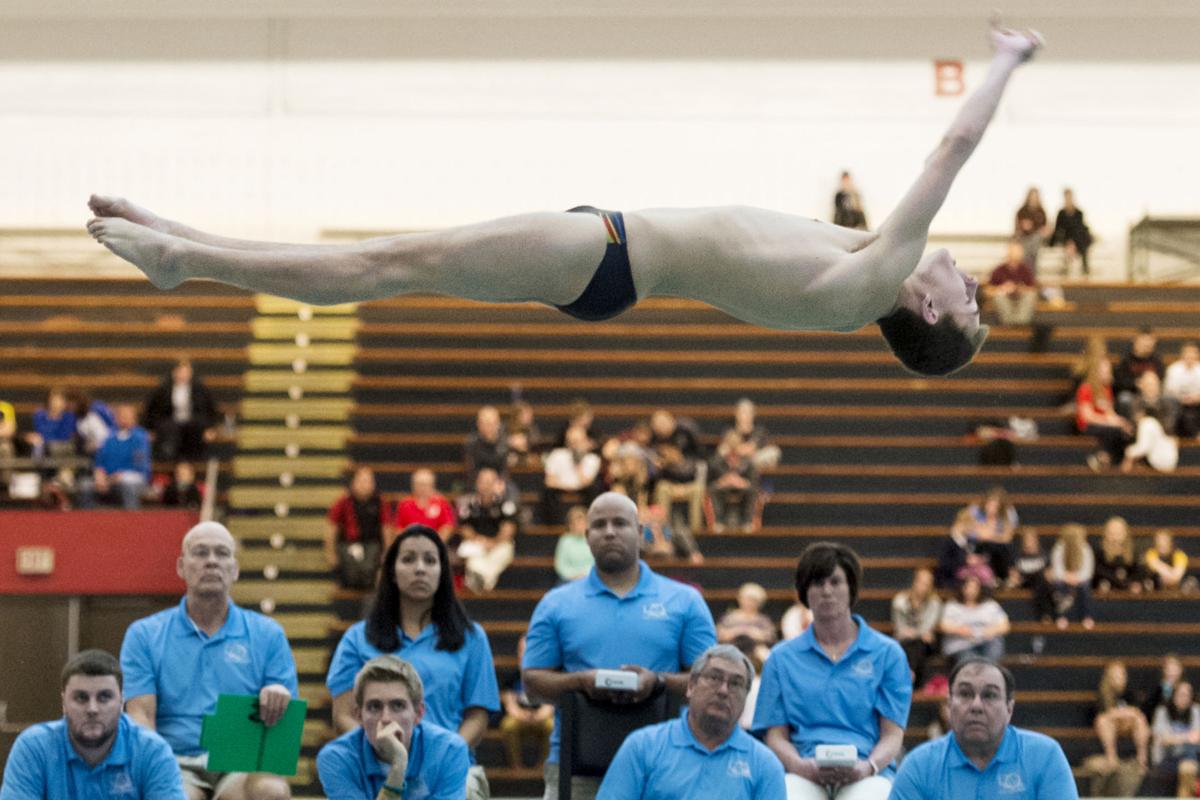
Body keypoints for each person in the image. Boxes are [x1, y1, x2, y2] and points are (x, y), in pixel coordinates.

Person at [85, 24, 1046, 378]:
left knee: (390, 265)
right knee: (395, 260)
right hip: (610, 253)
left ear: (924, 309)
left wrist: (1007, 60)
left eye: (962, 293)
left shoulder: (875, 276)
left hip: (610, 256)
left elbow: (953, 146)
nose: (963, 270)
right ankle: (184, 241)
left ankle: (188, 262)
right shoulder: (864, 267)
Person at [521, 491, 718, 800]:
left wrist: (658, 682)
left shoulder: (684, 601)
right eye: (599, 525)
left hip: (668, 769)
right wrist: (581, 682)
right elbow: (532, 682)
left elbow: (711, 681)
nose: (610, 532)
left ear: (640, 533)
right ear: (587, 537)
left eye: (620, 523)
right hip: (576, 770)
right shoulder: (556, 604)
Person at [120, 521, 298, 800]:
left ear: (235, 570)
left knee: (271, 791)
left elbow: (284, 730)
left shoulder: (268, 634)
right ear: (181, 566)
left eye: (222, 553)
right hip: (176, 762)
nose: (212, 561)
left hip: (241, 762)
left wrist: (279, 695)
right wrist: (157, 773)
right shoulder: (144, 634)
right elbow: (141, 716)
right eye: (201, 552)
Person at [325, 525, 500, 799]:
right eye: (408, 559)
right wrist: (386, 754)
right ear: (392, 571)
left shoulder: (472, 637)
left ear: (443, 572)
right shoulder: (357, 638)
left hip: (450, 771)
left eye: (430, 560)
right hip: (375, 770)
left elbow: (477, 718)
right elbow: (343, 715)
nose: (420, 568)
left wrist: (442, 757)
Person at [753, 541, 910, 800]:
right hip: (802, 769)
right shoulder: (781, 658)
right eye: (817, 583)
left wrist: (868, 767)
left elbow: (893, 734)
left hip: (867, 770)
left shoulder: (887, 654)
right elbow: (776, 735)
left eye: (835, 582)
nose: (826, 591)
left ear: (851, 589)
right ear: (804, 592)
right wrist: (798, 765)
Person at [596, 644, 786, 800]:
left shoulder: (764, 764)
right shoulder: (643, 746)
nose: (723, 690)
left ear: (746, 697)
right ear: (691, 686)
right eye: (714, 677)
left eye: (736, 684)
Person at [0, 649, 186, 800]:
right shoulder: (34, 748)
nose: (92, 709)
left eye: (104, 697)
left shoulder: (152, 751)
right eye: (81, 698)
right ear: (64, 703)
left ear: (122, 702)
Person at [889, 657, 1078, 799]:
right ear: (948, 706)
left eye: (990, 695)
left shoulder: (1044, 756)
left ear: (1009, 708)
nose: (976, 706)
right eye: (965, 693)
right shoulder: (919, 765)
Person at [316, 655, 469, 800]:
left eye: (398, 706)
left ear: (419, 713)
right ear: (359, 715)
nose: (386, 718)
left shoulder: (449, 751)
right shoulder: (336, 758)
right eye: (374, 707)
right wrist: (398, 765)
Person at [456, 466, 520, 593]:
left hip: (499, 544)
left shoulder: (506, 503)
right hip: (477, 543)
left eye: (489, 482)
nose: (485, 485)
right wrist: (478, 540)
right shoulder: (469, 503)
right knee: (468, 552)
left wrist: (494, 543)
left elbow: (508, 528)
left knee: (502, 553)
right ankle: (486, 581)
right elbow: (464, 527)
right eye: (482, 481)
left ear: (497, 484)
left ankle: (480, 581)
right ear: (477, 483)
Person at [325, 466, 391, 590]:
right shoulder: (343, 502)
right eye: (361, 481)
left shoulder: (380, 502)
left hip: (372, 544)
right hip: (348, 544)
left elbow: (386, 528)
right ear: (353, 483)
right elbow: (331, 527)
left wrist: (387, 552)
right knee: (352, 574)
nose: (365, 485)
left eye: (368, 481)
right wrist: (330, 552)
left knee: (368, 571)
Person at [143, 358, 221, 462]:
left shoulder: (200, 390)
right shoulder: (163, 389)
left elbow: (211, 410)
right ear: (174, 372)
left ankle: (194, 458)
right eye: (180, 372)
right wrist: (149, 429)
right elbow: (152, 410)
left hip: (193, 426)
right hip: (170, 425)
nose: (183, 375)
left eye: (186, 372)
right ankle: (168, 455)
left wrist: (212, 428)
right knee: (169, 430)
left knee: (195, 428)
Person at [77, 402, 152, 510]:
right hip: (108, 479)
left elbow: (139, 465)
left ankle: (132, 519)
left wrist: (115, 478)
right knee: (85, 486)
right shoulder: (108, 437)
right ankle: (88, 521)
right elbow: (99, 461)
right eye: (120, 416)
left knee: (127, 486)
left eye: (126, 416)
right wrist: (99, 475)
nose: (123, 419)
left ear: (134, 418)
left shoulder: (140, 437)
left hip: (133, 477)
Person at [499, 634, 554, 769]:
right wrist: (520, 714)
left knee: (551, 727)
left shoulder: (545, 675)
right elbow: (509, 702)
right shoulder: (511, 676)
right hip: (518, 718)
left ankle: (543, 765)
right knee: (508, 726)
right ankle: (516, 765)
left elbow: (550, 703)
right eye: (522, 651)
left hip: (541, 717)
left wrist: (540, 715)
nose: (525, 656)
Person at [891, 566, 943, 689]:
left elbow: (928, 627)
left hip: (925, 644)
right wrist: (917, 633)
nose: (923, 586)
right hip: (905, 641)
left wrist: (912, 632)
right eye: (921, 582)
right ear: (914, 582)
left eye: (927, 584)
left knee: (918, 644)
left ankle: (909, 673)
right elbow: (899, 627)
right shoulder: (900, 600)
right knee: (913, 644)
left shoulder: (934, 603)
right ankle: (913, 677)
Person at [939, 575, 1009, 666]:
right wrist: (959, 630)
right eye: (968, 587)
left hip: (986, 642)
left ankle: (990, 674)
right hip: (962, 645)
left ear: (980, 589)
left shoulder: (990, 605)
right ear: (962, 588)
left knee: (994, 647)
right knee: (970, 661)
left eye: (974, 588)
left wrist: (992, 631)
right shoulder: (952, 606)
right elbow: (943, 626)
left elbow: (1005, 626)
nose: (971, 591)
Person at [541, 424, 603, 526]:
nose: (575, 445)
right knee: (548, 493)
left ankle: (590, 523)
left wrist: (578, 464)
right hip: (560, 488)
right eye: (572, 442)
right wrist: (567, 486)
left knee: (594, 490)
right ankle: (556, 526)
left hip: (582, 488)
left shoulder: (592, 459)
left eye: (578, 441)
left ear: (585, 441)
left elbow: (586, 482)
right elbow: (549, 481)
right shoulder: (557, 455)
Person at [1077, 358, 1132, 472]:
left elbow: (1110, 412)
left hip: (1103, 424)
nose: (1109, 375)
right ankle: (1103, 457)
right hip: (1088, 426)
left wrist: (1121, 422)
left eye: (1109, 371)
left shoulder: (1106, 389)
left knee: (1127, 430)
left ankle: (1115, 460)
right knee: (1114, 431)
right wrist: (1110, 422)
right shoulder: (1086, 388)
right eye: (1105, 372)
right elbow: (1088, 417)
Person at [1094, 660, 1150, 770]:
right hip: (1112, 725)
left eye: (1121, 674)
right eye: (1115, 675)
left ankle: (1142, 758)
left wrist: (1122, 713)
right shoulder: (1103, 693)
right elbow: (1104, 713)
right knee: (1102, 721)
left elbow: (1137, 711)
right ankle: (1112, 758)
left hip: (1128, 724)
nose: (1119, 678)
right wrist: (1123, 713)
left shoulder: (1131, 691)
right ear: (1109, 677)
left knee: (1140, 720)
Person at [1150, 679, 1200, 798]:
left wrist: (1180, 738)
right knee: (1187, 768)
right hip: (1167, 758)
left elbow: (1198, 736)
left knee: (1188, 766)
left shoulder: (1196, 710)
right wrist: (1187, 737)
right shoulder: (1162, 711)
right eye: (1181, 694)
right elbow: (1164, 740)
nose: (1184, 698)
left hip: (1192, 756)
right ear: (1174, 695)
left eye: (1188, 695)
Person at [716, 582, 777, 666]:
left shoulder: (763, 620)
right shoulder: (729, 618)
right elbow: (720, 634)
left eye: (753, 600)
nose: (749, 603)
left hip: (756, 649)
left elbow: (770, 636)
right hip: (731, 647)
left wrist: (753, 633)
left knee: (766, 656)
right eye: (747, 599)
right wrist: (736, 632)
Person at [392, 468, 457, 547]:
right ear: (413, 485)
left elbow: (447, 527)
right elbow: (399, 529)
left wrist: (433, 543)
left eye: (425, 484)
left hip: (436, 545)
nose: (422, 487)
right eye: (419, 484)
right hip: (409, 545)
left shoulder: (442, 503)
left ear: (432, 485)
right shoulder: (404, 504)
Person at [1113, 328, 1166, 418]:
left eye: (1150, 340)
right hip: (1133, 394)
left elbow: (1161, 377)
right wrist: (1137, 383)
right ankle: (1129, 428)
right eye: (1144, 340)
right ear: (1136, 341)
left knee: (1170, 400)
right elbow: (1119, 381)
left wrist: (1150, 385)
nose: (1147, 343)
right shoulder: (1126, 360)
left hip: (1153, 395)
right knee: (1124, 398)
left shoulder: (1157, 360)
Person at [984, 241, 1037, 326]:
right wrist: (1002, 288)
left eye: (1017, 251)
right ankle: (1008, 321)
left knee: (1030, 296)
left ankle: (1022, 321)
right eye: (1013, 251)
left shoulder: (1025, 270)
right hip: (1005, 301)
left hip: (1020, 301)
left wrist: (1020, 289)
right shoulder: (998, 270)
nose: (1015, 254)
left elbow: (1033, 289)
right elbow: (987, 291)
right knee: (999, 295)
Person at [1092, 515, 1148, 595]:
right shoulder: (1098, 551)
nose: (1115, 537)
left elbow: (1140, 572)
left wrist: (1133, 583)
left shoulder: (1134, 552)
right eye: (1112, 533)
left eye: (1118, 533)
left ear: (1125, 533)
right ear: (1105, 533)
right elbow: (1097, 571)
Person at [1122, 402, 1179, 473]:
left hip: (1161, 462)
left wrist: (1128, 455)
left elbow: (1143, 447)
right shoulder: (1153, 421)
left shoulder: (1146, 423)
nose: (1135, 416)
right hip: (1169, 461)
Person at [1049, 187, 1093, 276]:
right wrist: (1068, 241)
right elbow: (1058, 229)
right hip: (1065, 237)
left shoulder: (1079, 212)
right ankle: (1067, 267)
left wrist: (1073, 241)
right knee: (1070, 244)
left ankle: (1084, 269)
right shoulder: (1061, 213)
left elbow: (1079, 228)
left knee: (1082, 241)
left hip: (1078, 238)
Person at [1164, 342, 1200, 438]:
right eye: (1187, 353)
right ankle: (1170, 433)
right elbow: (1168, 391)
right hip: (1178, 403)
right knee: (1170, 401)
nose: (1190, 356)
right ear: (1182, 355)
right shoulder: (1173, 369)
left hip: (1197, 404)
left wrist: (1196, 398)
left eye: (1193, 353)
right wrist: (1183, 399)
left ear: (1197, 355)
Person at [1013, 187, 1051, 274]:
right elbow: (1017, 229)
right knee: (1029, 247)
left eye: (1035, 196)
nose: (1034, 198)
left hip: (1037, 240)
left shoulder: (1041, 211)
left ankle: (1029, 270)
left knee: (1036, 238)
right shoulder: (1022, 211)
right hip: (1024, 238)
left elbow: (1045, 227)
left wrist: (1041, 231)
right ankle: (1031, 272)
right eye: (1032, 196)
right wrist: (1025, 228)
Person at [553, 505, 595, 582]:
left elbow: (597, 563)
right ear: (571, 525)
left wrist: (586, 575)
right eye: (576, 523)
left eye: (582, 523)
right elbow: (560, 564)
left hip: (590, 578)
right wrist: (573, 576)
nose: (580, 526)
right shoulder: (565, 540)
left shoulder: (594, 539)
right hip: (568, 580)